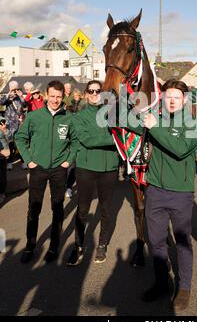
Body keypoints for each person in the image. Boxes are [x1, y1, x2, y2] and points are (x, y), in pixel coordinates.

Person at [133, 79, 197, 311]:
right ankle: (162, 282)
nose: (171, 101)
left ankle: (184, 287)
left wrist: (155, 127)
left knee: (182, 242)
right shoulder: (156, 118)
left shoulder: (193, 123)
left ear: (184, 99)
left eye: (176, 97)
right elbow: (131, 124)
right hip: (155, 190)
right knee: (156, 241)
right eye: (167, 96)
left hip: (180, 193)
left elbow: (180, 149)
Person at [15, 80, 77, 264]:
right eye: (52, 96)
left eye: (59, 97)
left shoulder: (68, 118)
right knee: (34, 209)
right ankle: (30, 246)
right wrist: (28, 160)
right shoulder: (34, 117)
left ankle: (53, 247)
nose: (55, 100)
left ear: (63, 97)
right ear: (46, 96)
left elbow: (75, 142)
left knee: (58, 209)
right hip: (38, 169)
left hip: (59, 169)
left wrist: (68, 160)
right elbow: (20, 137)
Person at [66, 80, 119, 266]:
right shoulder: (77, 117)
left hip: (109, 168)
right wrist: (114, 139)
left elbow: (125, 132)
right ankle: (78, 246)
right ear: (86, 94)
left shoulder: (112, 115)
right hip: (86, 168)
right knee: (82, 210)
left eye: (99, 91)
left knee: (105, 209)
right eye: (91, 91)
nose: (95, 93)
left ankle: (102, 244)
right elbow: (88, 139)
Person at [0, 80, 26, 170]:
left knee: (21, 143)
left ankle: (23, 161)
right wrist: (9, 94)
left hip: (19, 123)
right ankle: (10, 162)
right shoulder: (7, 97)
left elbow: (25, 104)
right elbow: (1, 102)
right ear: (10, 88)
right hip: (10, 124)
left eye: (16, 88)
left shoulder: (19, 97)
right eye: (14, 88)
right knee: (10, 143)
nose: (15, 90)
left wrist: (21, 96)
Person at [0, 118, 12, 204]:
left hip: (2, 154)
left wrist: (5, 130)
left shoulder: (2, 121)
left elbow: (10, 138)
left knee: (1, 176)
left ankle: (1, 193)